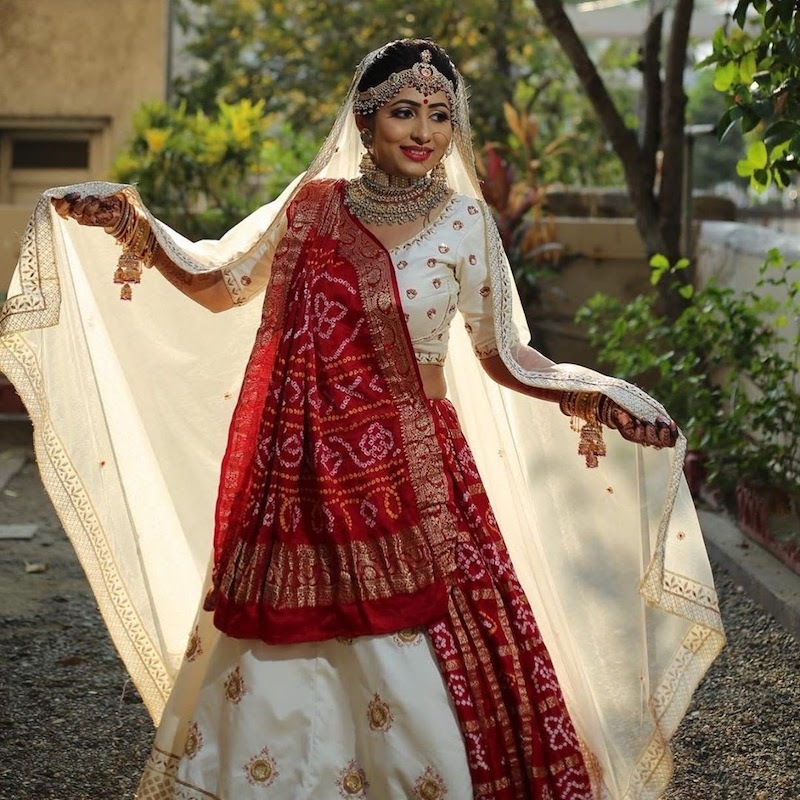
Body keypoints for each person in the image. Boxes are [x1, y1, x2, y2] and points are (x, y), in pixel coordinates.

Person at [0, 39, 723, 800]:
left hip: (421, 480)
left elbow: (508, 355)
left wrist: (600, 397)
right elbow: (221, 282)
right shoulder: (314, 208)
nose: (423, 131)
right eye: (404, 112)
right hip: (306, 478)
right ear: (366, 120)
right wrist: (130, 226)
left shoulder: (466, 225)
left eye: (440, 116)